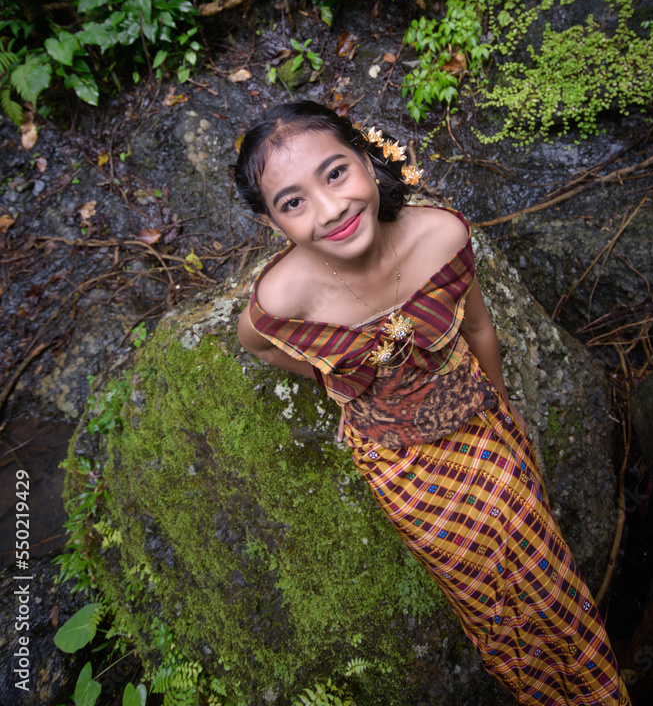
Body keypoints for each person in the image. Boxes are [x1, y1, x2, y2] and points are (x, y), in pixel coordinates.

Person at [234, 100, 630, 706]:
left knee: (541, 572)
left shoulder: (442, 236)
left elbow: (479, 328)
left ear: (368, 159)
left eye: (336, 173)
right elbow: (258, 344)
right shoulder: (283, 298)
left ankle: (592, 687)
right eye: (293, 202)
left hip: (477, 423)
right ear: (272, 222)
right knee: (480, 593)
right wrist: (336, 376)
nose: (330, 208)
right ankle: (535, 689)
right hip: (398, 466)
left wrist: (501, 407)